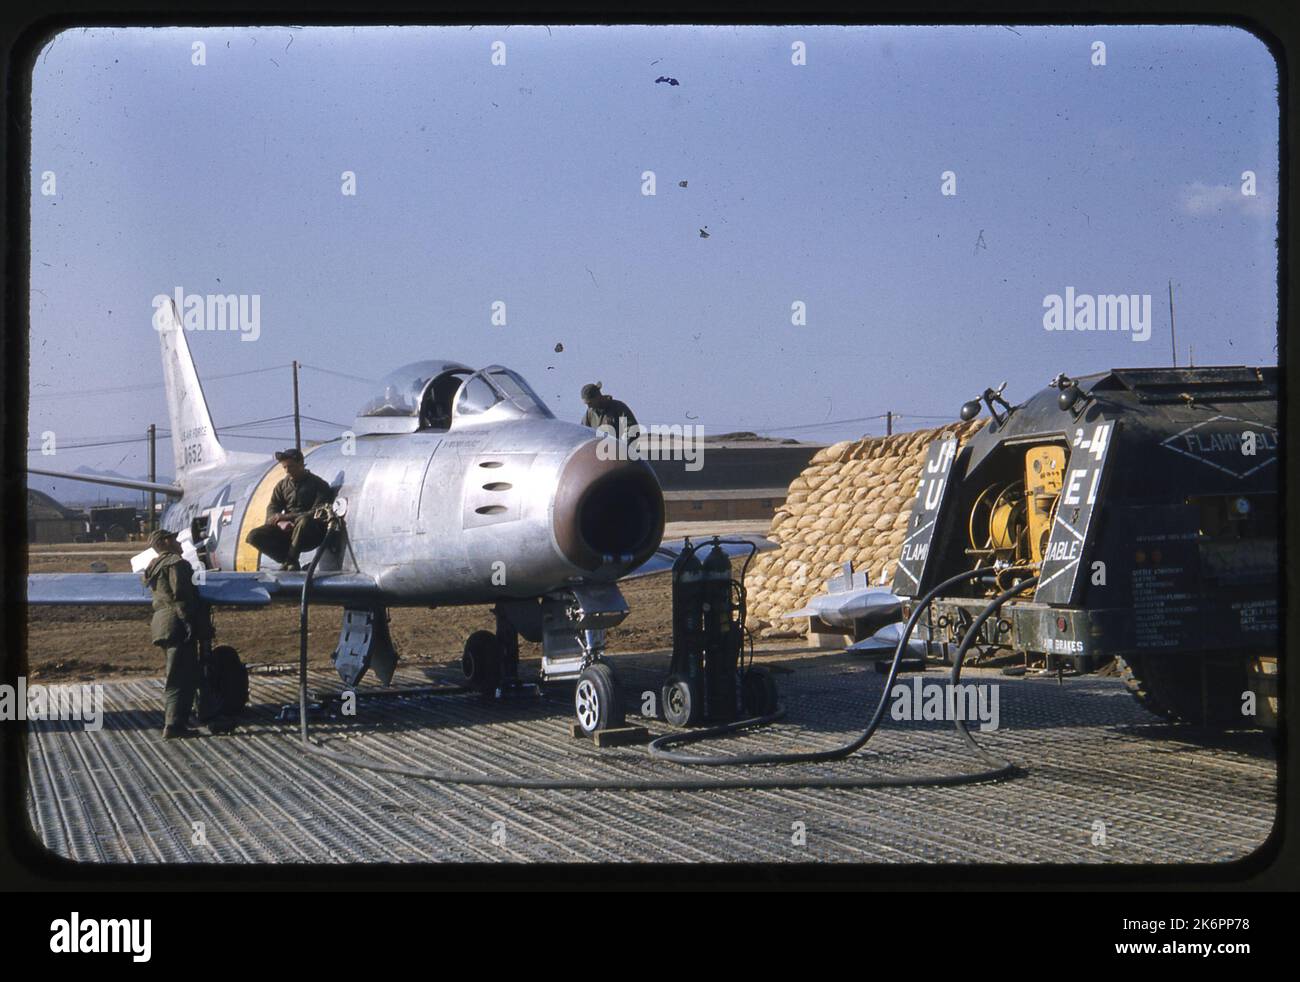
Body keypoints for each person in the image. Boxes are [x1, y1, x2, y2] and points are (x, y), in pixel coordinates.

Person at [141, 529, 232, 739]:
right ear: (166, 542)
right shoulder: (177, 563)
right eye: (175, 539)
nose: (180, 542)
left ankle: (206, 716)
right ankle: (173, 726)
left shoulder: (153, 567)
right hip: (177, 624)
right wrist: (189, 622)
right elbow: (181, 595)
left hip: (163, 624)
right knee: (178, 677)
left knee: (188, 673)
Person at [243, 448, 334, 571]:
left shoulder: (319, 485)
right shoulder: (282, 486)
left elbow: (318, 512)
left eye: (291, 467)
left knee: (303, 521)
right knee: (254, 536)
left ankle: (290, 561)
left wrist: (286, 517)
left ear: (301, 463)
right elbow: (272, 508)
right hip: (289, 531)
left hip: (311, 532)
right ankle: (289, 560)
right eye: (284, 468)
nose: (287, 471)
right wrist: (279, 522)